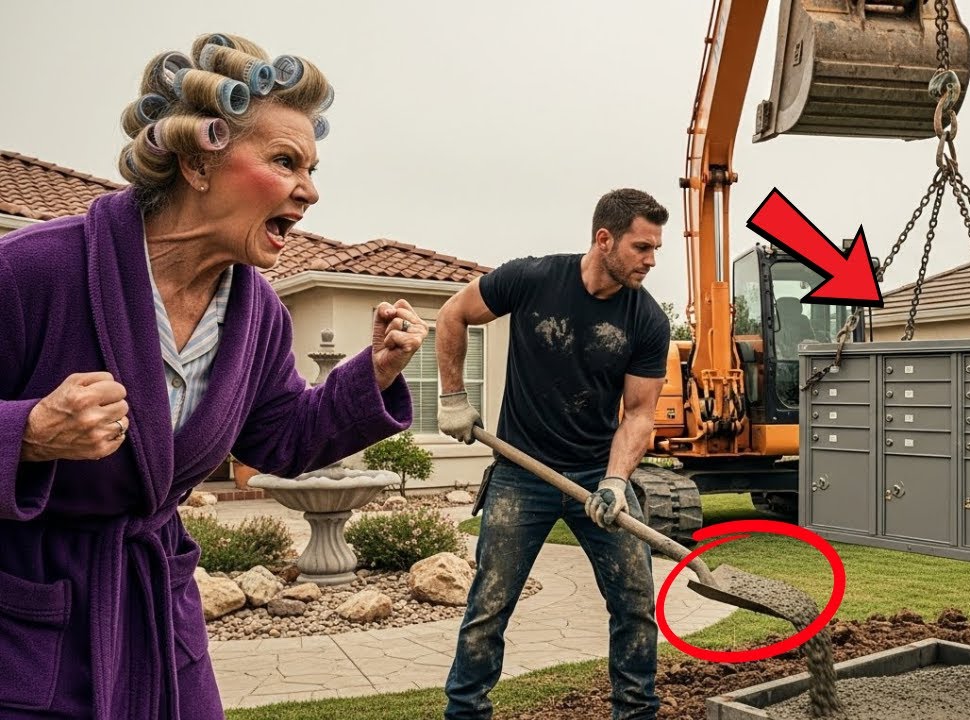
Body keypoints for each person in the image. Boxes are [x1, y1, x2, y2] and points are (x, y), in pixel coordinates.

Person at [0, 34, 426, 719]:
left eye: (312, 168)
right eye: (285, 161)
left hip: (160, 626)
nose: (310, 191)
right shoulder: (31, 273)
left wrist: (373, 374)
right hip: (29, 634)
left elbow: (282, 439)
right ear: (199, 162)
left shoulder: (255, 312)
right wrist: (28, 433)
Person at [435, 188, 672, 720]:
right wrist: (452, 396)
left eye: (656, 249)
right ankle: (466, 712)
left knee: (635, 605)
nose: (651, 261)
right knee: (489, 607)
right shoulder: (533, 278)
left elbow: (638, 413)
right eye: (642, 247)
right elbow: (453, 314)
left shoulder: (648, 320)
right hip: (521, 473)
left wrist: (615, 482)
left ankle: (635, 712)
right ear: (604, 239)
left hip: (596, 476)